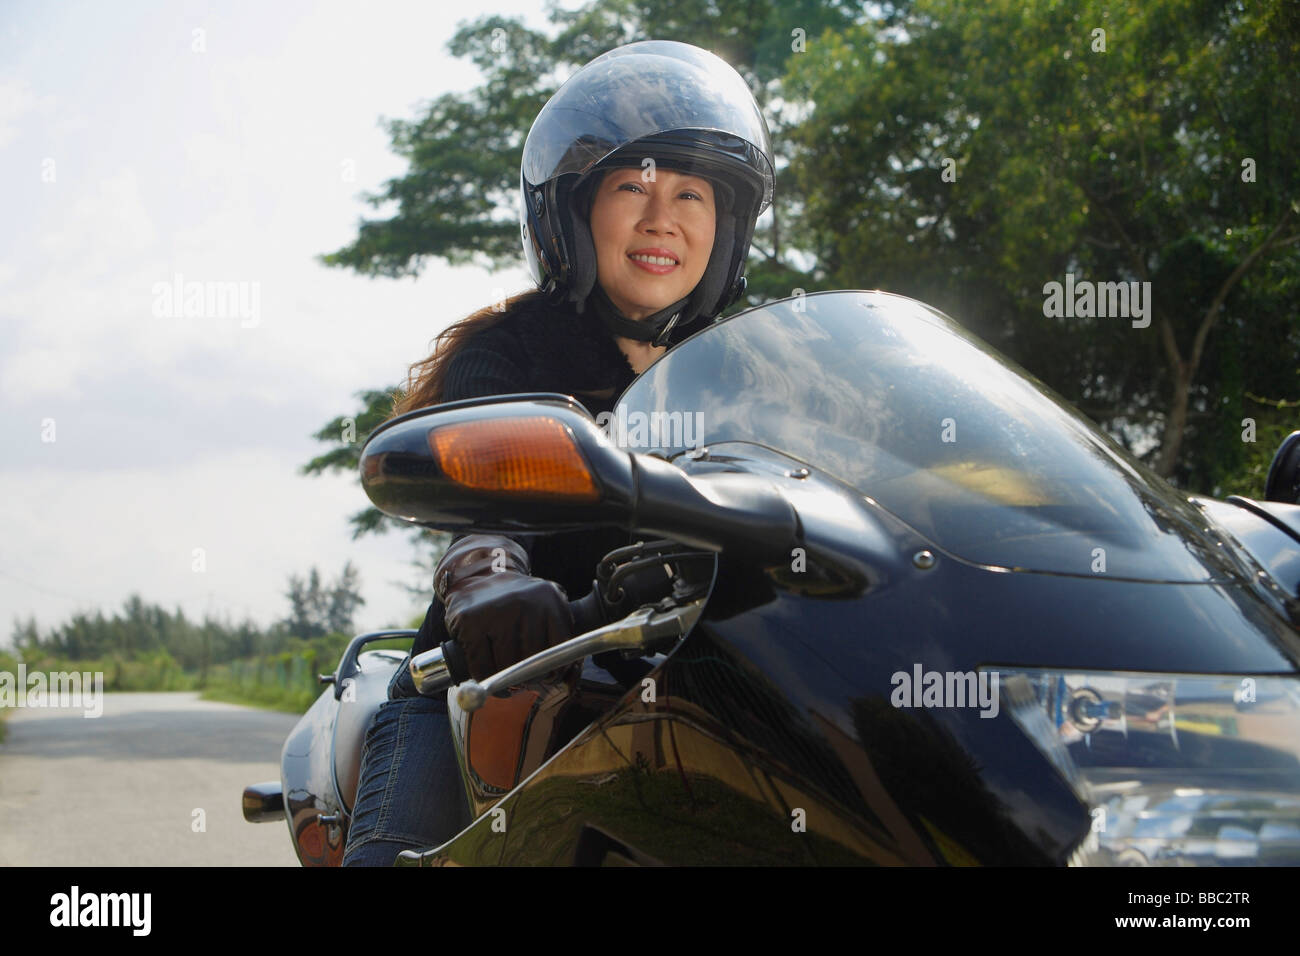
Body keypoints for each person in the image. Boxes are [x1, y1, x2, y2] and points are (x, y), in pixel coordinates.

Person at [342, 39, 774, 866]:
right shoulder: (508, 354)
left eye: (692, 193)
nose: (662, 217)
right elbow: (480, 505)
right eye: (630, 187)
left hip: (711, 679)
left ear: (725, 229)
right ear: (573, 214)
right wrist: (488, 575)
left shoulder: (755, 376)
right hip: (487, 683)